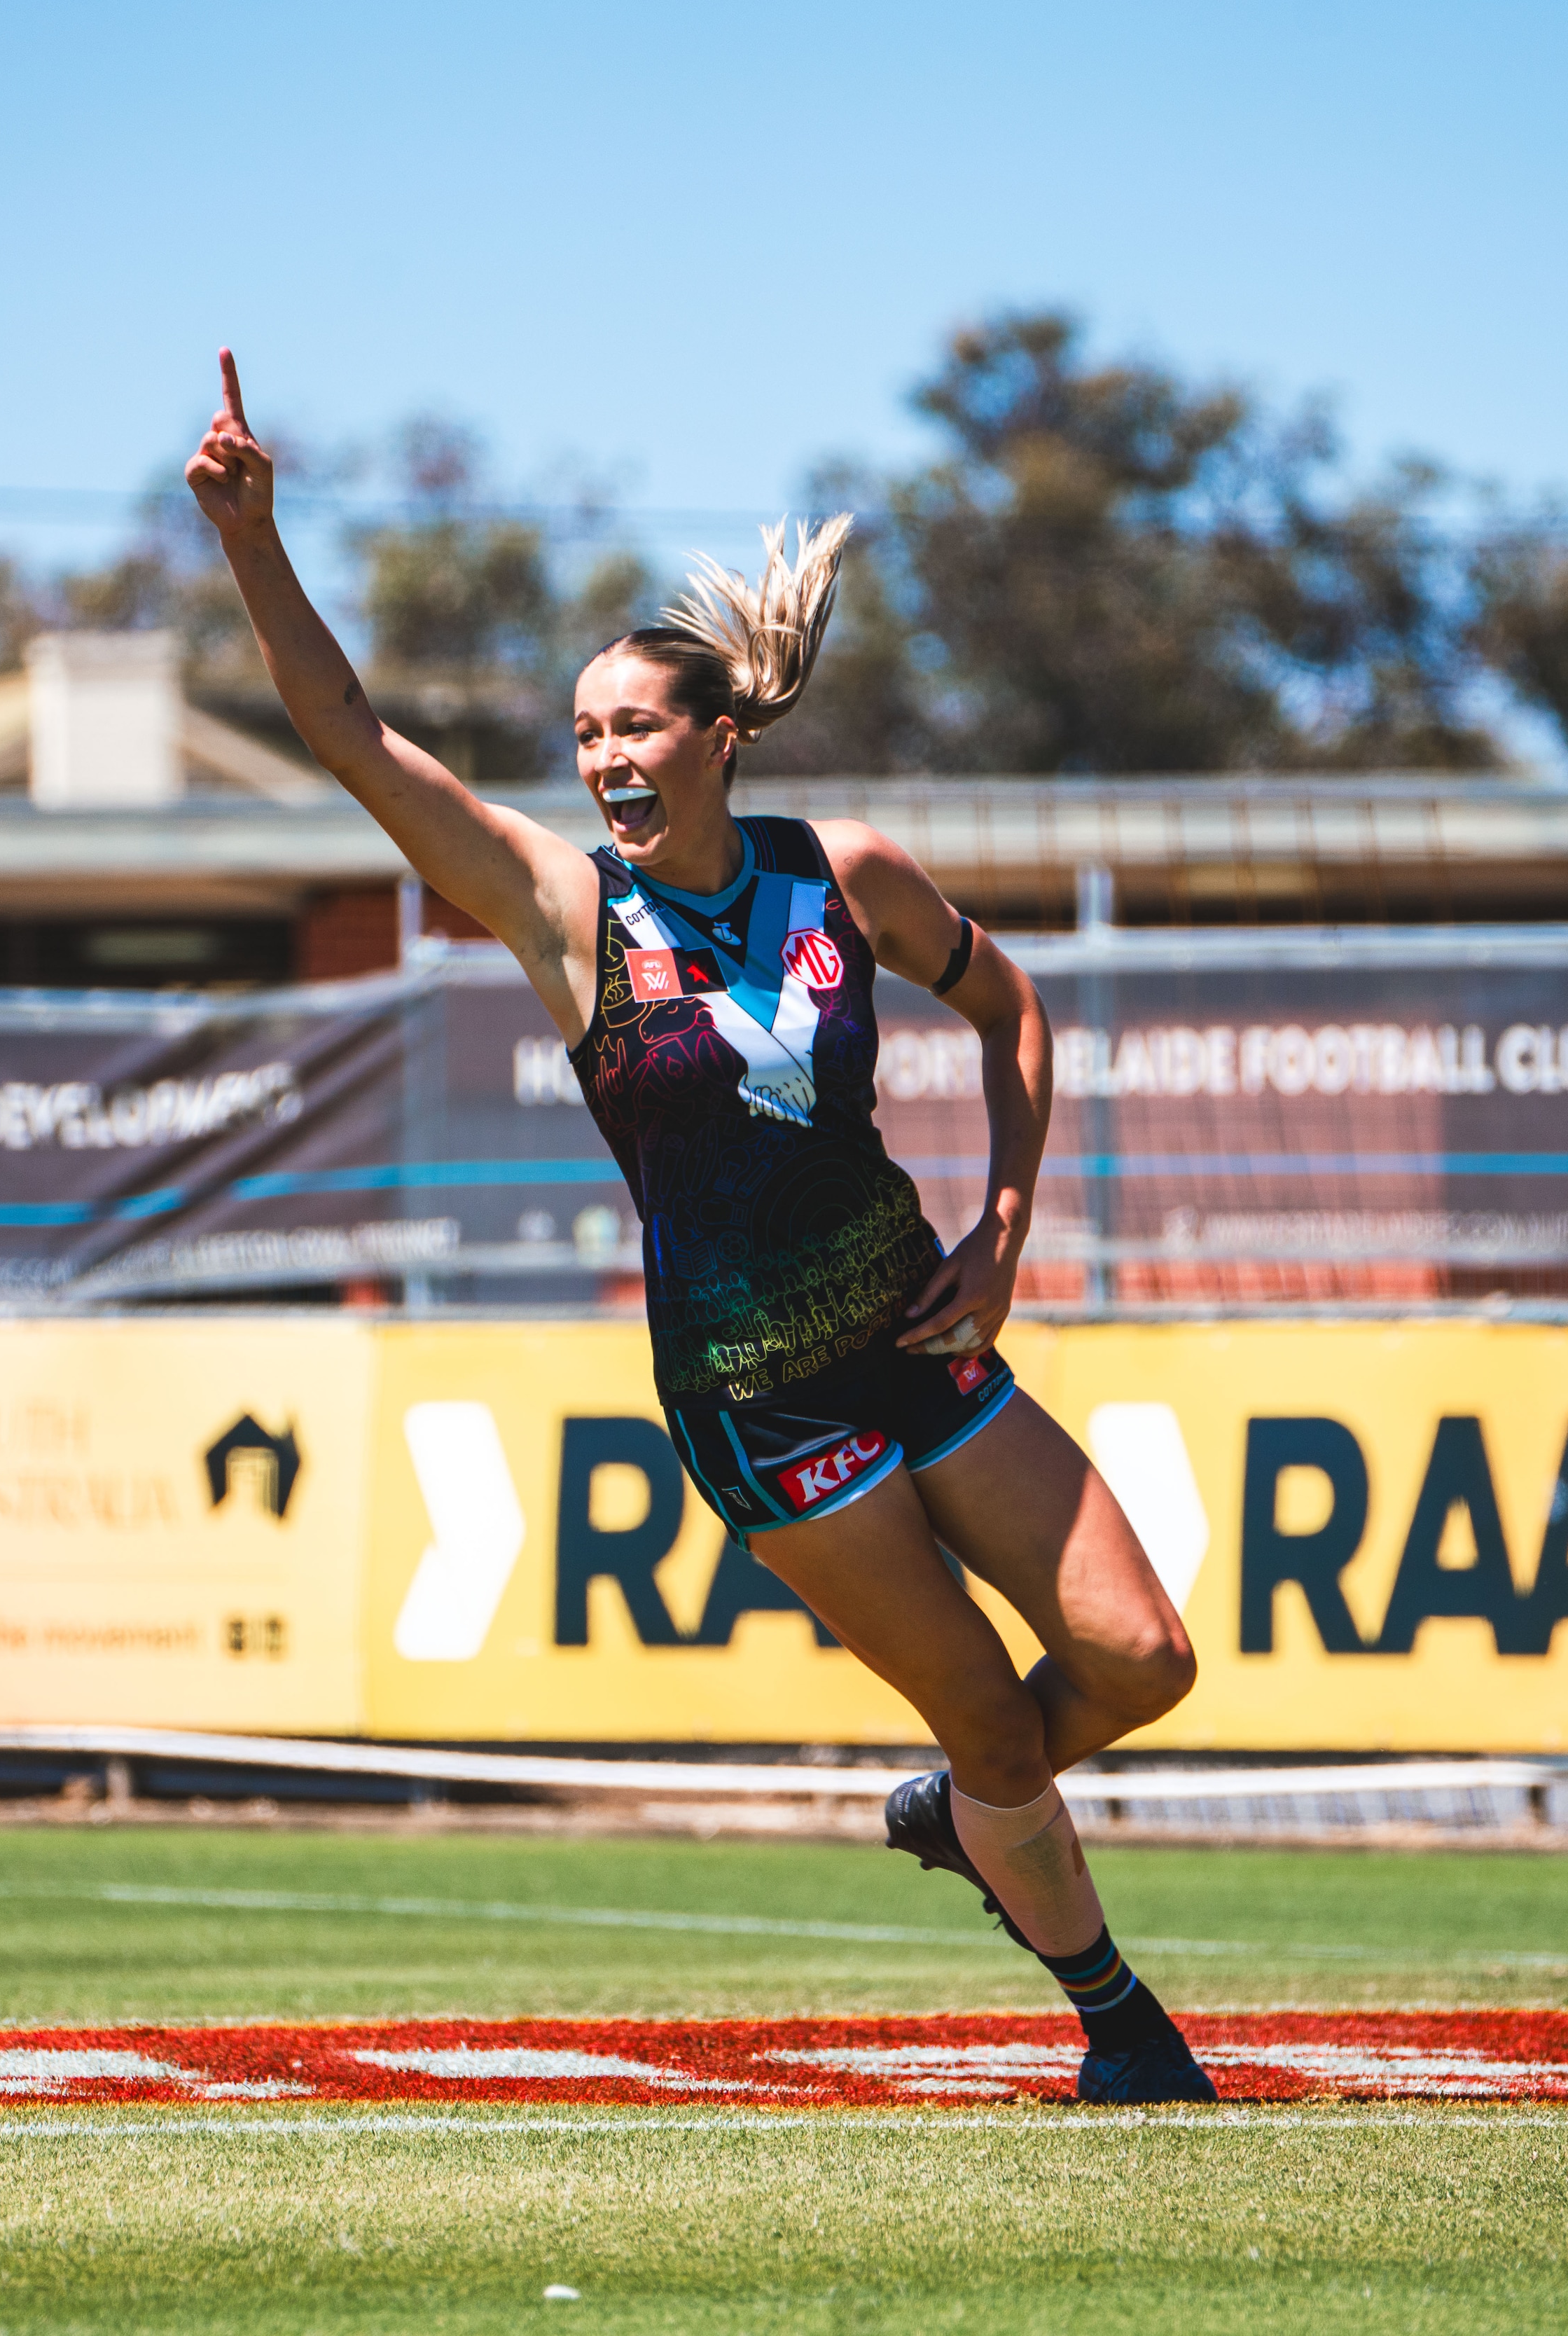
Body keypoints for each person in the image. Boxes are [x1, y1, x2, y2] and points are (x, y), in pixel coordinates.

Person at [185, 353, 1213, 2100]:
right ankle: (1120, 2024)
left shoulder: (846, 872)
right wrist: (256, 547)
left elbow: (1016, 1012)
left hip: (918, 1332)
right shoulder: (558, 906)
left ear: (718, 736)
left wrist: (1010, 1224)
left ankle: (974, 1821)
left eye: (636, 729)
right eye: (584, 738)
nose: (604, 763)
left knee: (1142, 1656)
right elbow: (353, 741)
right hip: (758, 1393)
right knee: (982, 1715)